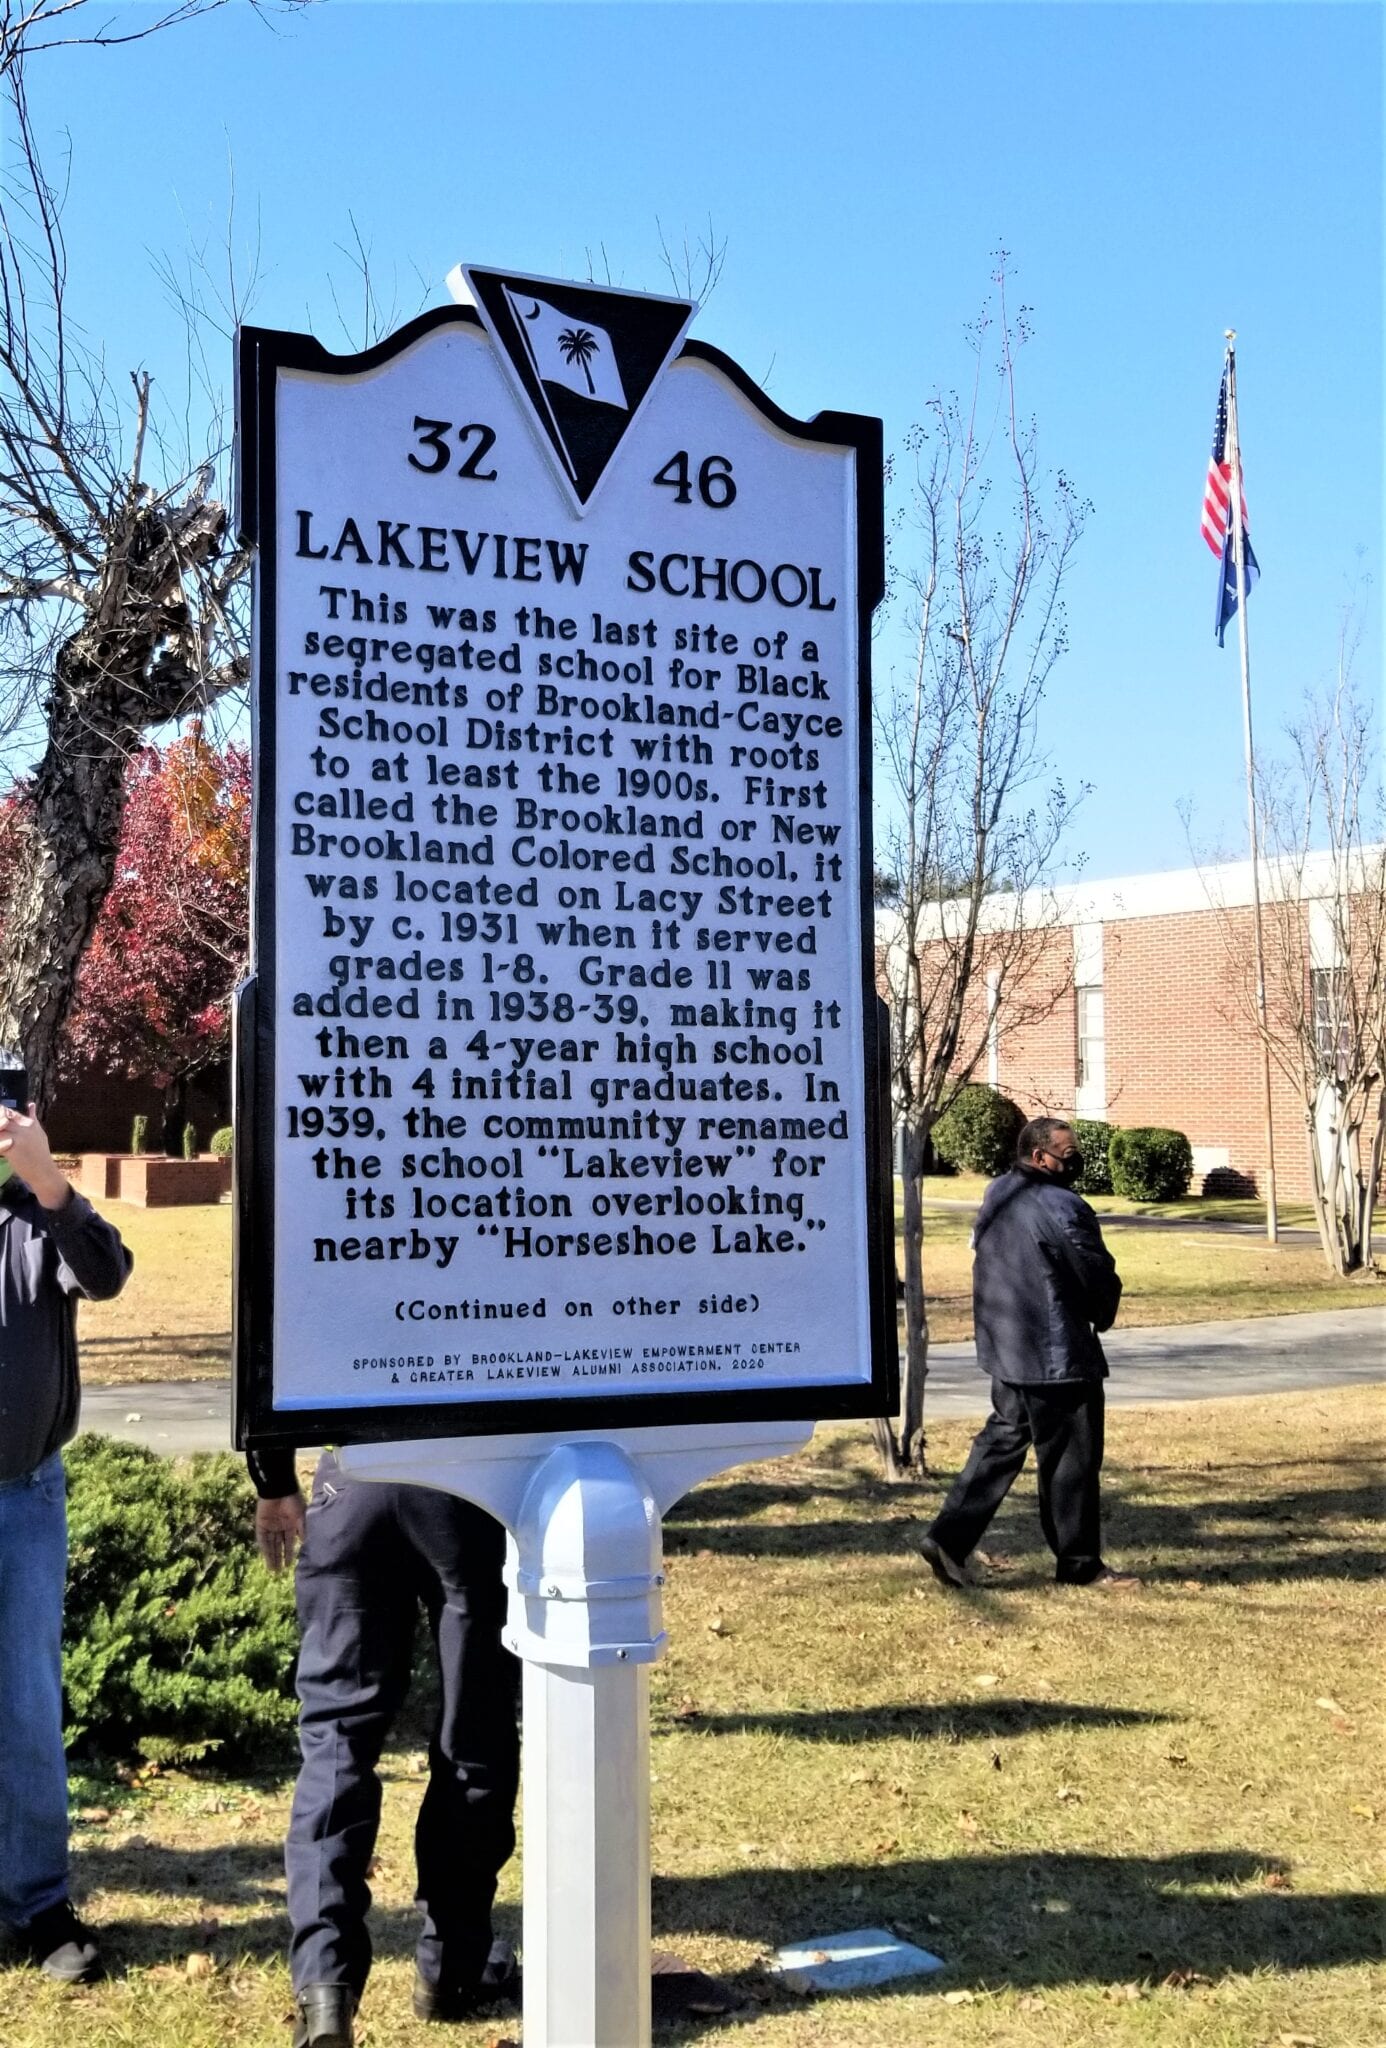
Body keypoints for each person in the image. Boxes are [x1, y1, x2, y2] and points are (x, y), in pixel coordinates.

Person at [250, 1446, 521, 2048]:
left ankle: (324, 1990)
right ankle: (452, 1968)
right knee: (473, 1731)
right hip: (464, 1486)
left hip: (352, 1483)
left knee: (335, 1740)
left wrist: (272, 1476)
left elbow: (271, 1353)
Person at [0, 1101, 133, 1982]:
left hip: (22, 1499)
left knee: (25, 1707)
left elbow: (109, 1272)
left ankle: (39, 1904)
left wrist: (50, 1180)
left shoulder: (36, 1216)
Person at [919, 1115, 1137, 1591]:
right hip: (1056, 1354)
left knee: (1001, 1442)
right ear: (1040, 1156)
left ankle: (948, 1539)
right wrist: (1103, 1312)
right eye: (1067, 1152)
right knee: (1071, 1459)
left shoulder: (999, 1192)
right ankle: (1080, 1565)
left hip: (1008, 1345)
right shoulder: (1063, 1206)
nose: (1073, 1159)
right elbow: (1094, 1274)